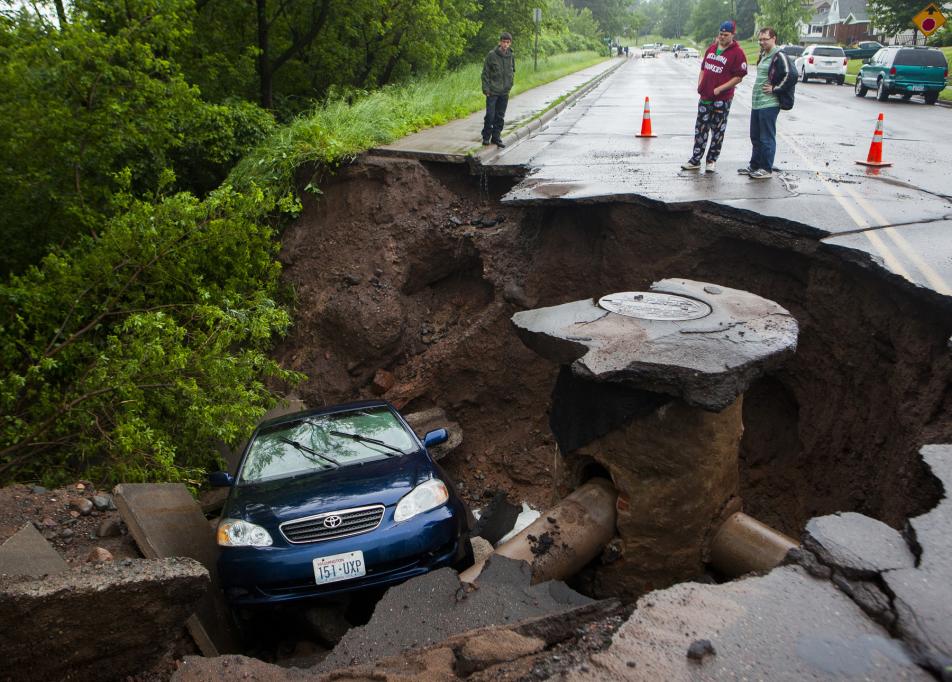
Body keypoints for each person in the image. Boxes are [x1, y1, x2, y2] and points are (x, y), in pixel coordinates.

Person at [681, 20, 748, 173]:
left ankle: (711, 160)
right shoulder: (711, 49)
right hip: (705, 96)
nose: (722, 37)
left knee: (717, 130)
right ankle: (695, 159)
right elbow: (703, 68)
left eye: (726, 35)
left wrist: (720, 89)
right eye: (721, 34)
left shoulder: (737, 53)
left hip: (722, 99)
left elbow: (739, 77)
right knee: (700, 129)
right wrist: (700, 83)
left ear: (732, 35)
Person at [740, 27, 794, 179]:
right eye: (761, 39)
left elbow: (791, 74)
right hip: (757, 103)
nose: (762, 42)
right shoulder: (763, 54)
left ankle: (766, 168)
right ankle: (754, 165)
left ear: (774, 38)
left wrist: (776, 89)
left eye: (765, 39)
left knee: (766, 137)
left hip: (769, 103)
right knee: (755, 136)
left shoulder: (779, 55)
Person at [481, 32, 515, 148]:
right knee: (490, 115)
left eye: (507, 42)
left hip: (504, 92)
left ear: (510, 43)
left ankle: (496, 137)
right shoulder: (492, 55)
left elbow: (512, 71)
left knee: (500, 116)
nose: (505, 44)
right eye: (503, 42)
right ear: (500, 42)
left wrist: (510, 85)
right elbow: (485, 73)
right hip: (492, 91)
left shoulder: (511, 55)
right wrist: (486, 89)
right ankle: (486, 137)